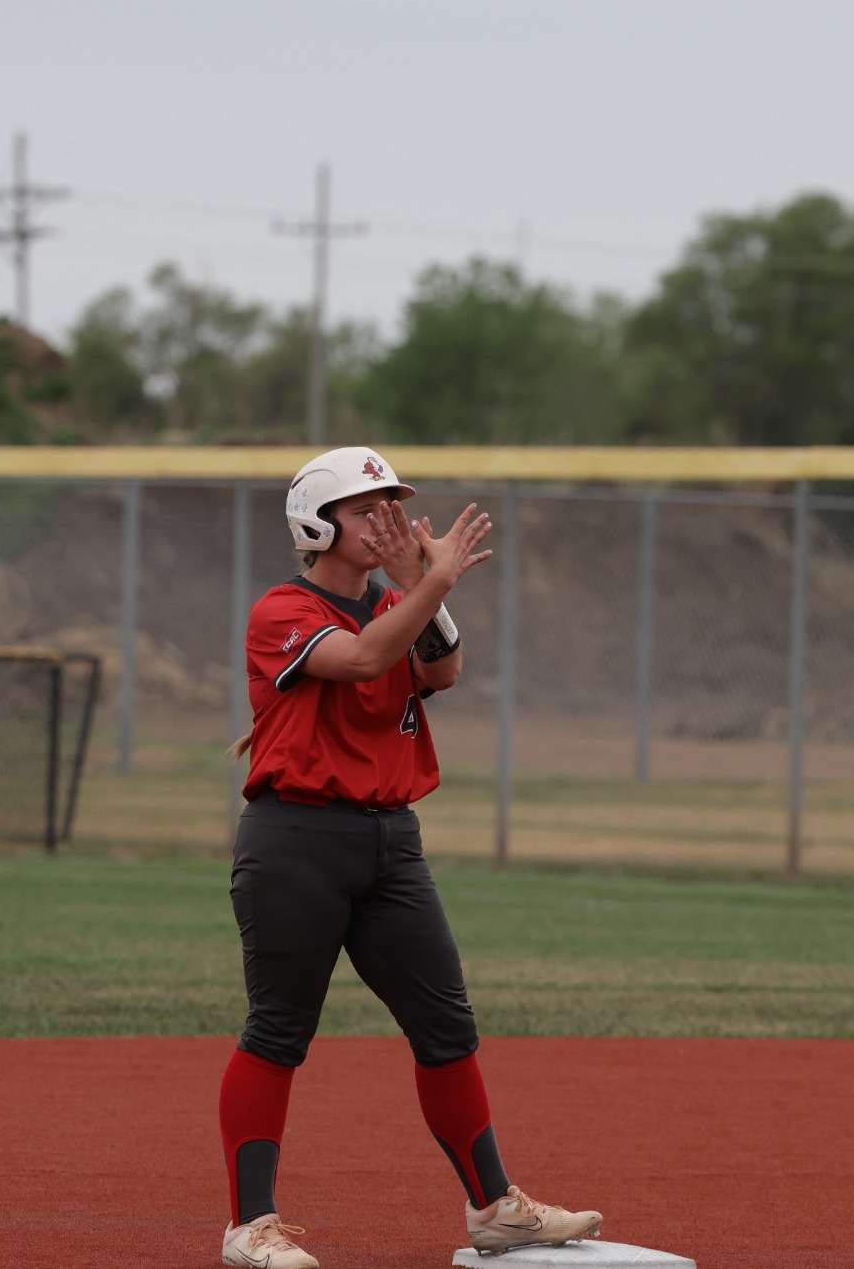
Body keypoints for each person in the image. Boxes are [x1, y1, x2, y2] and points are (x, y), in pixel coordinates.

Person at [216, 446, 602, 1269]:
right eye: (366, 508)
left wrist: (421, 590)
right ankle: (251, 1227)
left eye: (393, 505)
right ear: (316, 524)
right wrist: (430, 584)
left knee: (447, 1025)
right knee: (280, 1030)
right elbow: (359, 657)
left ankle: (495, 1208)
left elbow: (443, 668)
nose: (386, 520)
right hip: (296, 842)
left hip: (391, 842)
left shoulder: (396, 600)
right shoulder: (281, 608)